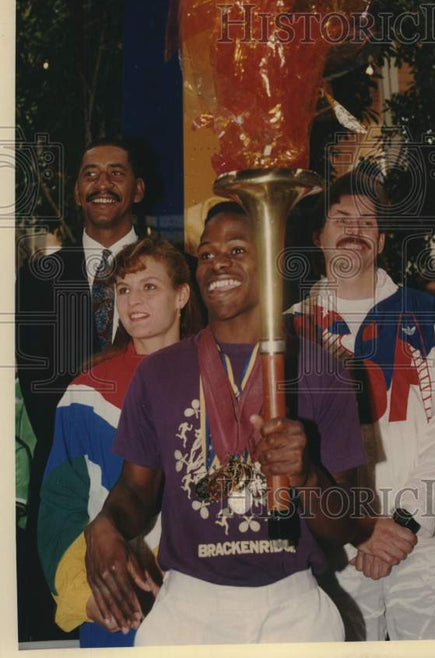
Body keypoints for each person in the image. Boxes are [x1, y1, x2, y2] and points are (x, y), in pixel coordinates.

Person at [83, 202, 373, 645]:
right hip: (186, 607)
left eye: (237, 250)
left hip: (293, 605)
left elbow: (345, 525)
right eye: (207, 254)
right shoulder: (159, 373)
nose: (218, 262)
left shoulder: (322, 372)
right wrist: (105, 525)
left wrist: (307, 475)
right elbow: (136, 492)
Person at [287, 171, 435, 641]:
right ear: (318, 236)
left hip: (422, 543)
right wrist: (358, 528)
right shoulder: (291, 328)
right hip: (334, 543)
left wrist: (403, 523)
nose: (354, 229)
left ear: (383, 239)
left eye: (367, 221)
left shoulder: (429, 315)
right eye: (341, 218)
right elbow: (291, 447)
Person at [37, 236, 199, 647]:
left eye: (150, 286)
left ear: (181, 295)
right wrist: (89, 599)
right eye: (123, 289)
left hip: (209, 600)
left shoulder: (219, 379)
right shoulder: (85, 393)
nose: (133, 301)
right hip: (120, 606)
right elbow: (59, 509)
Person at [15, 137, 147, 641]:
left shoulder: (173, 271)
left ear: (137, 189)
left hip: (153, 478)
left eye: (116, 172)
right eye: (91, 174)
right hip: (66, 477)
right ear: (76, 192)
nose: (102, 183)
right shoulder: (35, 279)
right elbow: (37, 386)